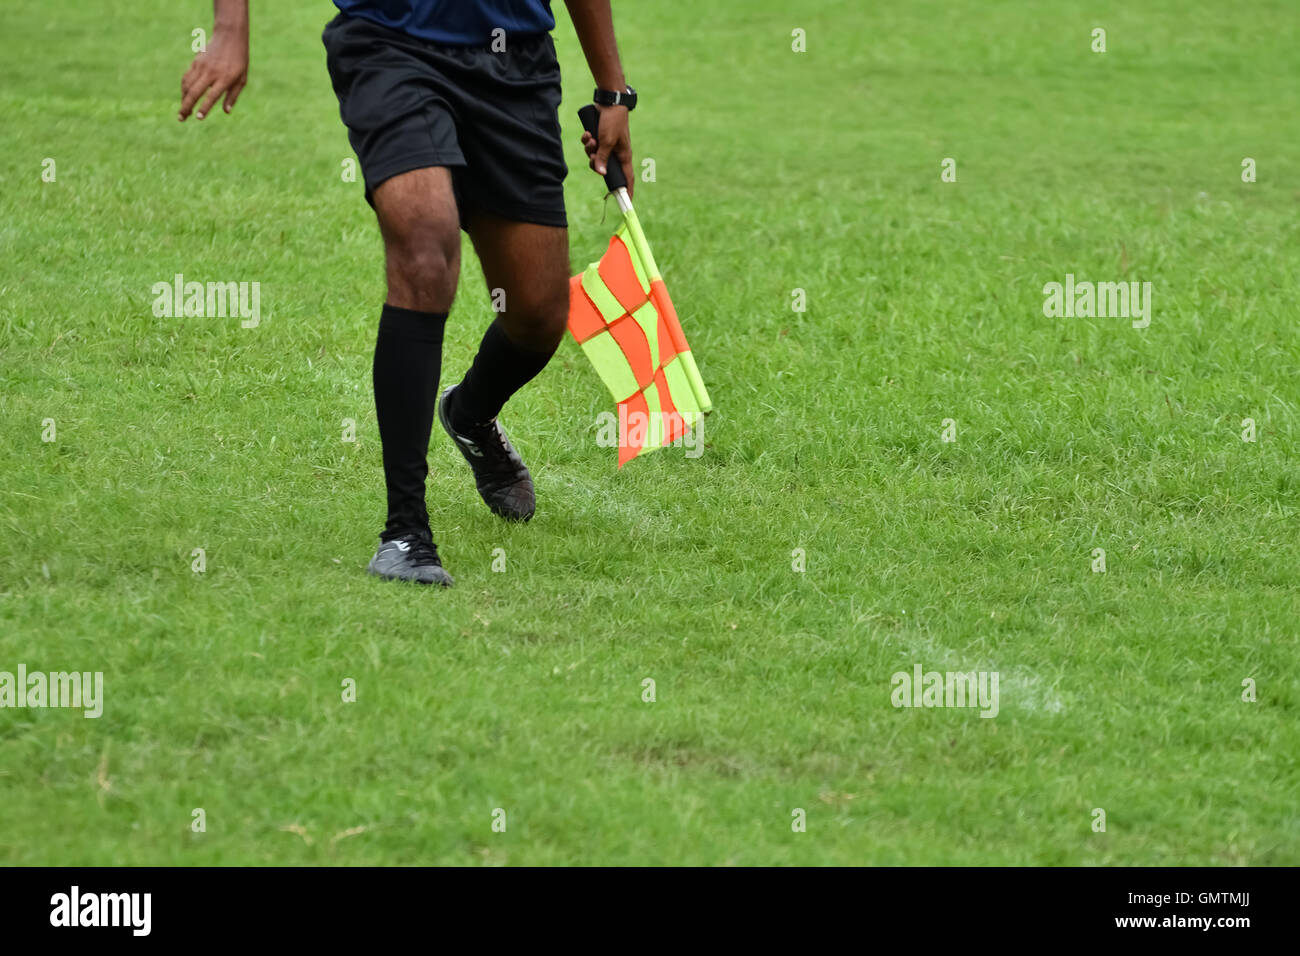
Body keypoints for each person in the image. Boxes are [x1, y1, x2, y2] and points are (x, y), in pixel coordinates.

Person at [179, 0, 637, 586]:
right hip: (391, 44)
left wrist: (612, 93)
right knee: (424, 249)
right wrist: (229, 28)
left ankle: (469, 414)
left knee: (538, 314)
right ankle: (406, 534)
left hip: (513, 64)